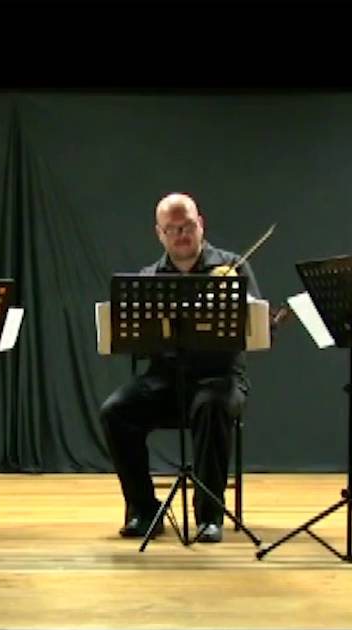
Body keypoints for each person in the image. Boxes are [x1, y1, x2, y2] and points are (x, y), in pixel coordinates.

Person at [99, 192, 261, 543]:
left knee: (210, 406)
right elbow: (135, 345)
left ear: (200, 224)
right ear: (160, 234)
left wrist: (246, 307)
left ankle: (209, 515)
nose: (181, 234)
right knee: (115, 411)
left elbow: (261, 330)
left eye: (187, 226)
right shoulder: (148, 278)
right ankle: (144, 510)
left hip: (220, 378)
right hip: (165, 381)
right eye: (172, 229)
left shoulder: (234, 267)